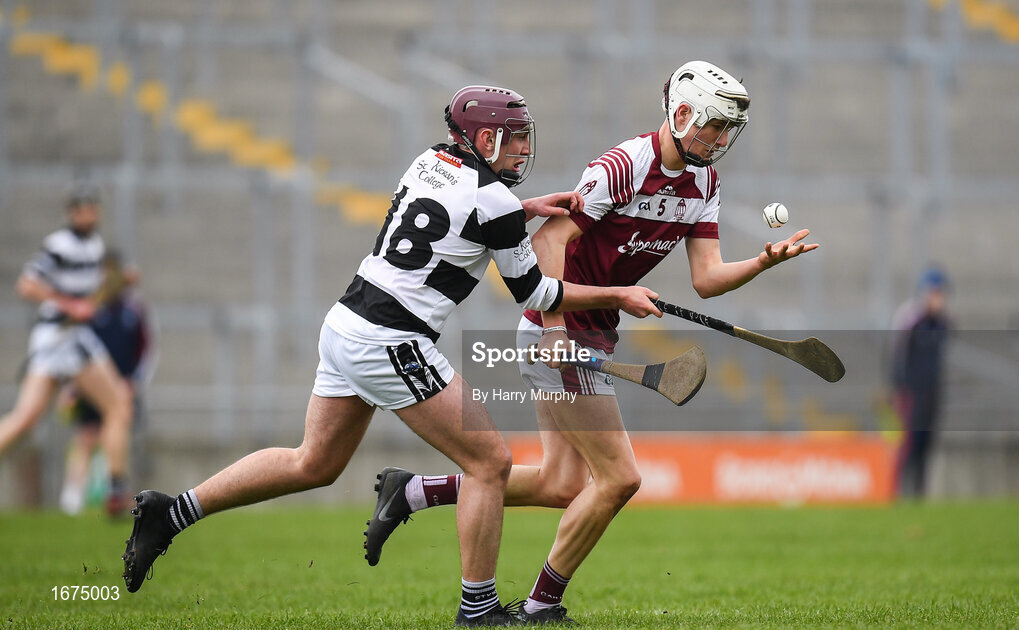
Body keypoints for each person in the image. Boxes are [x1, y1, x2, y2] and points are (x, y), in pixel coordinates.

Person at [120, 85, 663, 626]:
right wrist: (619, 295)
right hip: (391, 339)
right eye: (515, 138)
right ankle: (478, 609)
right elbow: (537, 294)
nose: (524, 148)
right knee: (489, 463)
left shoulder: (430, 161)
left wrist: (523, 209)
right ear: (484, 138)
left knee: (313, 463)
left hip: (345, 324)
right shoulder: (494, 201)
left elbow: (453, 217)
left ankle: (172, 512)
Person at [363, 61, 820, 623]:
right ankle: (541, 605)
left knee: (560, 484)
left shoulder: (705, 185)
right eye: (714, 125)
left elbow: (707, 279)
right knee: (621, 478)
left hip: (594, 332)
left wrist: (762, 262)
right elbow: (549, 241)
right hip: (560, 334)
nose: (721, 139)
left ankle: (413, 492)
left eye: (729, 129)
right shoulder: (624, 167)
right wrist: (556, 331)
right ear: (682, 115)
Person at [0, 184, 135, 515]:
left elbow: (92, 298)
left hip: (75, 337)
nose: (88, 215)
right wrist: (68, 304)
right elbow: (27, 284)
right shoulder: (59, 245)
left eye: (92, 209)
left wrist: (118, 283)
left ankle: (116, 490)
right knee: (27, 419)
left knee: (117, 406)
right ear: (71, 213)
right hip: (57, 337)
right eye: (82, 210)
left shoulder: (95, 245)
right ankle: (116, 489)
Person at [59, 252, 156, 515]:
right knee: (86, 437)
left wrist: (135, 381)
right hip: (89, 385)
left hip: (122, 385)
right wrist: (71, 386)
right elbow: (75, 350)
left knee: (115, 428)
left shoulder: (133, 309)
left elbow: (146, 348)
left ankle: (114, 490)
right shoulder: (90, 307)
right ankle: (72, 497)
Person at [889, 266, 952, 499]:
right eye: (934, 293)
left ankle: (919, 494)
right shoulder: (911, 319)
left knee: (926, 444)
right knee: (908, 444)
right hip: (910, 393)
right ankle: (897, 494)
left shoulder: (942, 323)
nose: (938, 299)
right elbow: (897, 355)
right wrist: (898, 389)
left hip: (931, 392)